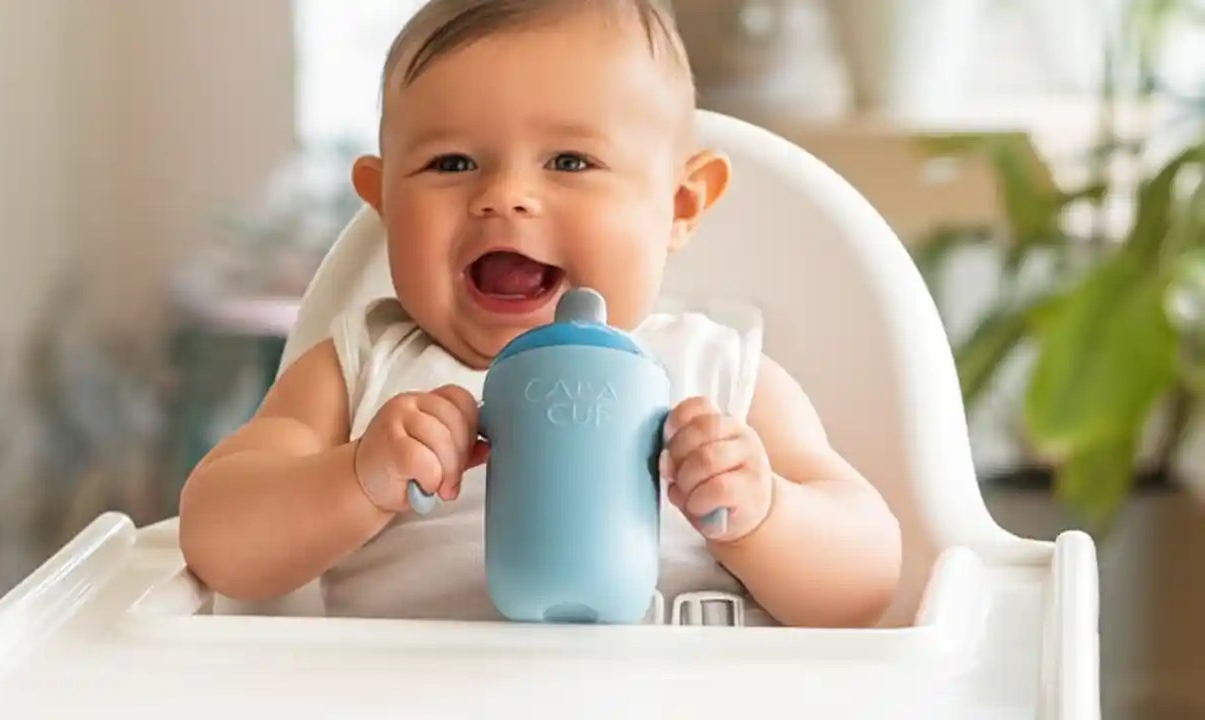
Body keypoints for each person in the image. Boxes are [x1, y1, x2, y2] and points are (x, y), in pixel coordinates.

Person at [179, 0, 901, 628]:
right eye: (452, 163)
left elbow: (867, 584)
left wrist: (764, 513)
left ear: (680, 205)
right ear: (384, 200)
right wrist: (356, 480)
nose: (505, 196)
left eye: (570, 162)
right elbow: (218, 544)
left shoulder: (718, 378)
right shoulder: (363, 370)